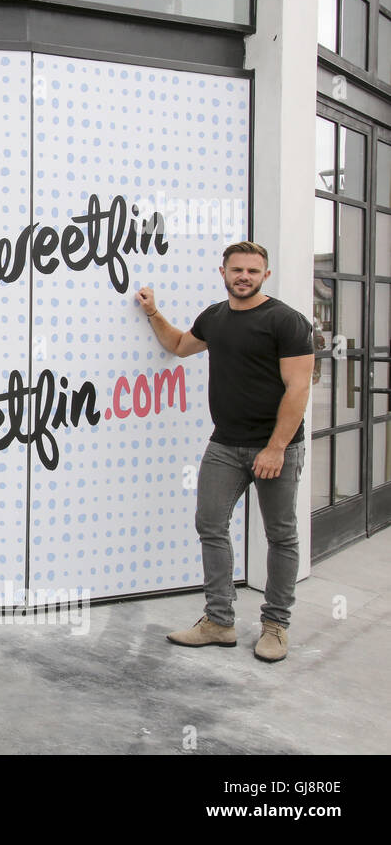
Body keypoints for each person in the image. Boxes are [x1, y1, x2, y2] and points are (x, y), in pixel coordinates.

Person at [136, 241, 313, 662]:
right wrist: (152, 312)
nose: (245, 277)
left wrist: (275, 448)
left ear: (265, 275)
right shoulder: (215, 318)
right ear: (223, 272)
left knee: (281, 535)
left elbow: (299, 387)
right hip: (225, 443)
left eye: (253, 271)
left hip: (277, 447)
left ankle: (275, 626)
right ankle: (219, 622)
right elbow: (179, 346)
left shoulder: (287, 321)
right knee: (210, 524)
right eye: (238, 270)